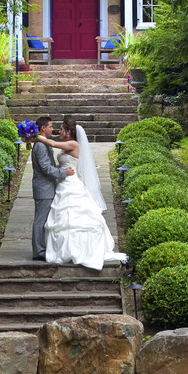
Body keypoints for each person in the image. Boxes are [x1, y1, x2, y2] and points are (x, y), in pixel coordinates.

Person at [36, 116, 127, 271]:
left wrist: (33, 136)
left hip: (72, 184)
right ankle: (64, 249)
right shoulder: (67, 146)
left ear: (69, 131)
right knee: (63, 217)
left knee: (74, 216)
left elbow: (51, 143)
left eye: (62, 129)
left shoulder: (73, 143)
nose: (59, 131)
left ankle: (77, 250)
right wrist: (60, 170)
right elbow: (64, 162)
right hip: (63, 181)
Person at [30, 114, 74, 261]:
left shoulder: (42, 144)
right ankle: (39, 252)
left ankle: (43, 248)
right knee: (40, 221)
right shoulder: (41, 146)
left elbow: (48, 166)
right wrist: (63, 172)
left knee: (43, 220)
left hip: (46, 187)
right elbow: (46, 169)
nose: (52, 129)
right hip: (43, 188)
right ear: (43, 128)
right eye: (50, 126)